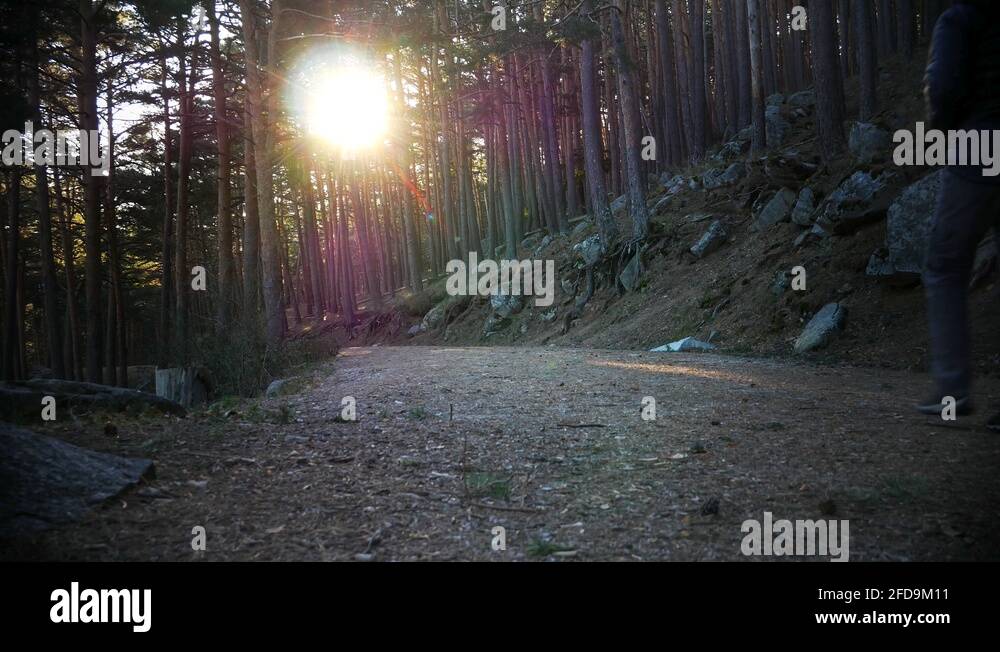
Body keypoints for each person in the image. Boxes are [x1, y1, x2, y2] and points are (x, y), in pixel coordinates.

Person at [917, 0, 1000, 431]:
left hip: (980, 143)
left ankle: (952, 390)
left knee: (946, 265)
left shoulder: (961, 15)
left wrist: (945, 131)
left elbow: (944, 86)